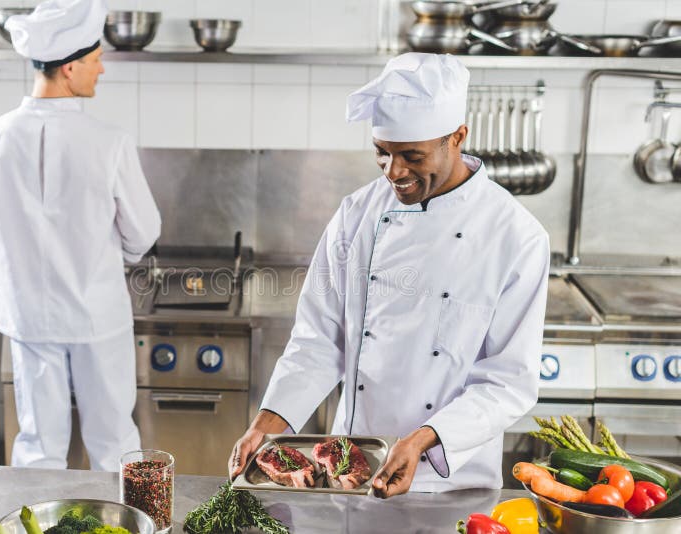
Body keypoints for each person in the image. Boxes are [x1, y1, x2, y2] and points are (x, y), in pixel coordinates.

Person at [228, 53, 550, 497]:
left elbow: (507, 382)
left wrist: (422, 439)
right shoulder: (356, 215)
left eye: (411, 156)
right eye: (382, 153)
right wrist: (268, 424)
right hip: (351, 467)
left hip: (450, 479)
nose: (394, 172)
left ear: (457, 137)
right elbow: (319, 340)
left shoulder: (516, 237)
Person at [0, 0, 161, 471]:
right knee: (116, 448)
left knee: (37, 450)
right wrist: (121, 246)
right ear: (69, 69)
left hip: (29, 319)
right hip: (98, 318)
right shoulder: (108, 141)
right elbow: (143, 234)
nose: (101, 71)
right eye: (96, 62)